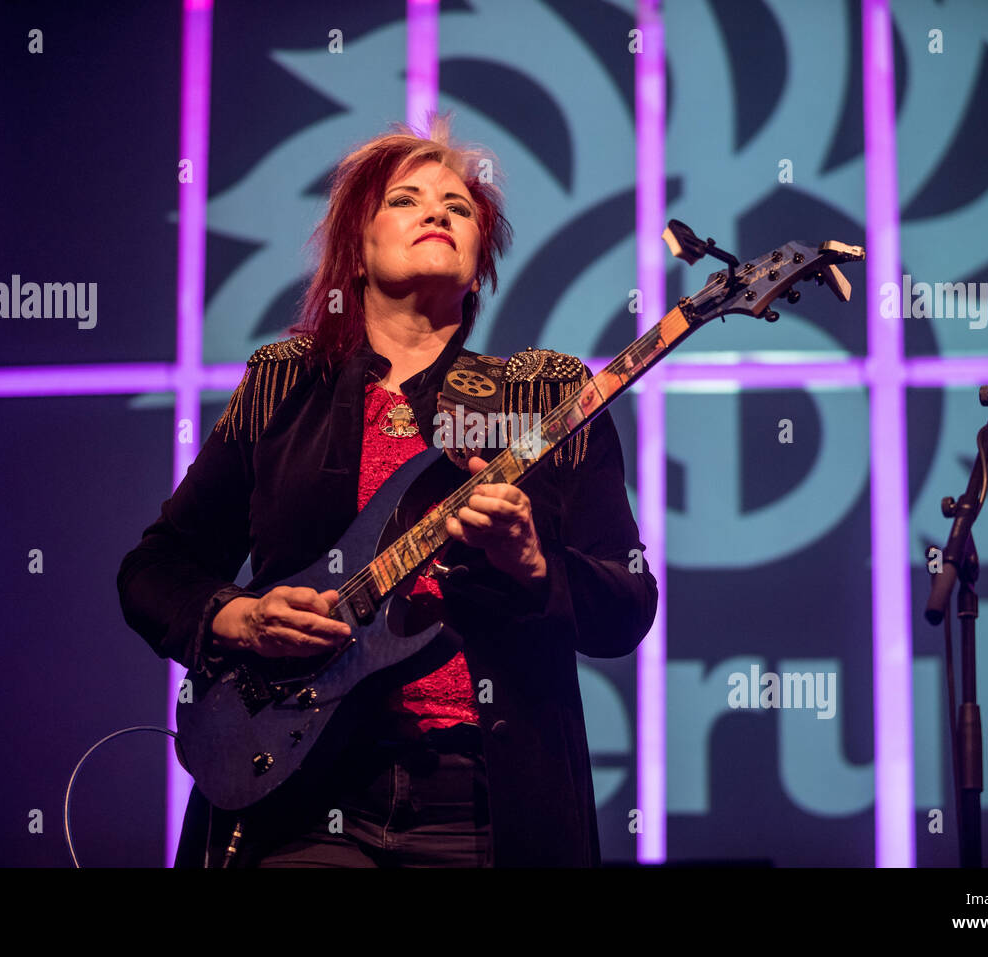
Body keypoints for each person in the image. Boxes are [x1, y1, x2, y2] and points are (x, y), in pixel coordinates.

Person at [117, 114, 657, 867]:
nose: (438, 210)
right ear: (357, 251)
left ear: (478, 268)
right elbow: (153, 570)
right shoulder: (285, 383)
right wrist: (240, 617)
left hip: (482, 806)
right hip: (297, 793)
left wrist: (534, 563)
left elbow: (627, 604)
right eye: (406, 200)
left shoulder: (547, 398)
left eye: (460, 207)